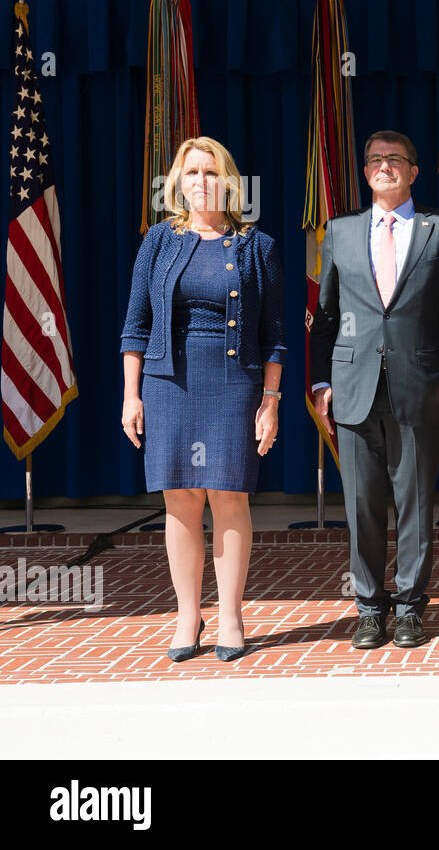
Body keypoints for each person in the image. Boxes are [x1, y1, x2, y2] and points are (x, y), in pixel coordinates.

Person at [121, 136, 286, 663]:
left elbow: (275, 335)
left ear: (229, 182)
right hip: (167, 381)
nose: (201, 182)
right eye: (192, 173)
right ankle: (188, 613)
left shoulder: (257, 245)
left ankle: (232, 615)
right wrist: (132, 395)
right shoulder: (157, 242)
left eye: (211, 172)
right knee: (180, 498)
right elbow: (135, 327)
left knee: (228, 496)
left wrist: (271, 400)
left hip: (234, 380)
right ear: (177, 183)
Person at [310, 130, 439, 651]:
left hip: (421, 389)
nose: (384, 167)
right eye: (375, 160)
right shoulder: (339, 231)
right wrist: (320, 381)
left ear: (413, 171)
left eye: (395, 160)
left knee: (416, 504)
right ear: (365, 172)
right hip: (354, 387)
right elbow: (327, 316)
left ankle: (409, 608)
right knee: (361, 506)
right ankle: (367, 608)